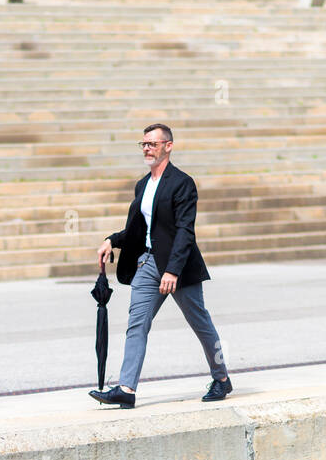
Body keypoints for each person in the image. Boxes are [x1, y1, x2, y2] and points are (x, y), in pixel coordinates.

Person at [91, 124, 231, 409]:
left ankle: (222, 378)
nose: (147, 149)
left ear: (168, 146)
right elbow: (137, 229)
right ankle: (127, 390)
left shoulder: (182, 183)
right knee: (137, 324)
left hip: (179, 268)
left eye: (152, 144)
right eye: (143, 144)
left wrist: (173, 270)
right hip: (148, 263)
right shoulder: (143, 185)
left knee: (201, 323)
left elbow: (184, 231)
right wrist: (112, 240)